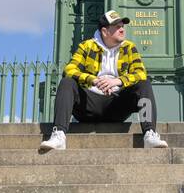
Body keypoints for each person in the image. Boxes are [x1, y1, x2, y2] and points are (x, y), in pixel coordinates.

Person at [40, 10, 168, 152]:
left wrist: (117, 81)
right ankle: (59, 135)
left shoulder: (129, 47)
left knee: (143, 84)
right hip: (89, 105)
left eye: (122, 26)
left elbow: (140, 73)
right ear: (105, 31)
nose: (122, 29)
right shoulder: (87, 46)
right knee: (67, 82)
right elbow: (69, 70)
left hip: (116, 104)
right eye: (117, 26)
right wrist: (93, 80)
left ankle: (150, 134)